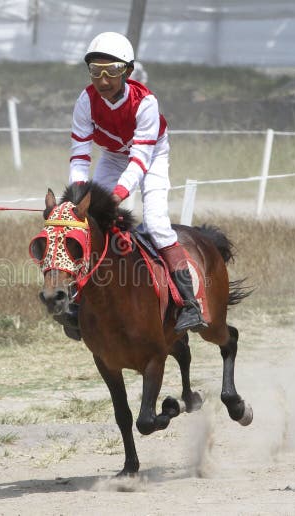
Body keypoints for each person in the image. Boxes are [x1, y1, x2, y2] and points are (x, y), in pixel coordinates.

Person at [68, 31, 207, 334]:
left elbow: (140, 160)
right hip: (115, 155)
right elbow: (80, 154)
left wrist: (116, 195)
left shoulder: (145, 103)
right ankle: (77, 300)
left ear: (128, 71)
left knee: (156, 224)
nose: (103, 81)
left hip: (151, 155)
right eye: (95, 72)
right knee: (87, 222)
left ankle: (189, 303)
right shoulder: (85, 100)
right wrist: (77, 196)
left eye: (112, 72)